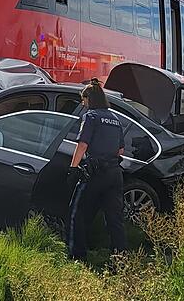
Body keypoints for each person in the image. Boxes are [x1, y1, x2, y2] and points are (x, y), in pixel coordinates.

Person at [68, 79, 126, 261]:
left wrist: (73, 168)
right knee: (114, 219)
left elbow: (83, 145)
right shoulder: (115, 119)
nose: (82, 103)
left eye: (83, 99)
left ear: (89, 99)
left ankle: (78, 256)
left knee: (77, 212)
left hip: (95, 173)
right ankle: (120, 259)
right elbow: (121, 150)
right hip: (115, 174)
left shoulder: (91, 116)